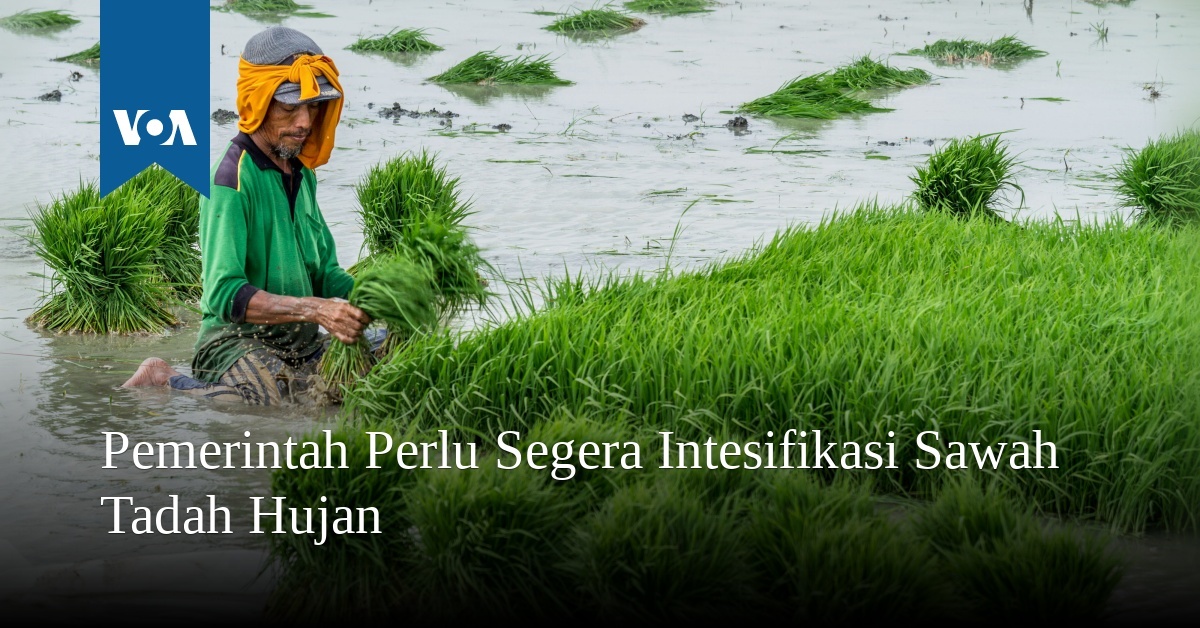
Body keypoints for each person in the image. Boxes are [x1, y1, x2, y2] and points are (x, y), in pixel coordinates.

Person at [123, 26, 370, 405]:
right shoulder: (230, 181)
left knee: (389, 362)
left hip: (301, 342)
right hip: (235, 341)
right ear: (257, 103)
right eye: (289, 107)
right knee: (261, 402)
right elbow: (224, 294)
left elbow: (323, 274)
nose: (304, 122)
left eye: (312, 106)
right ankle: (166, 377)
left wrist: (380, 294)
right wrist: (316, 309)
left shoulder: (302, 174)